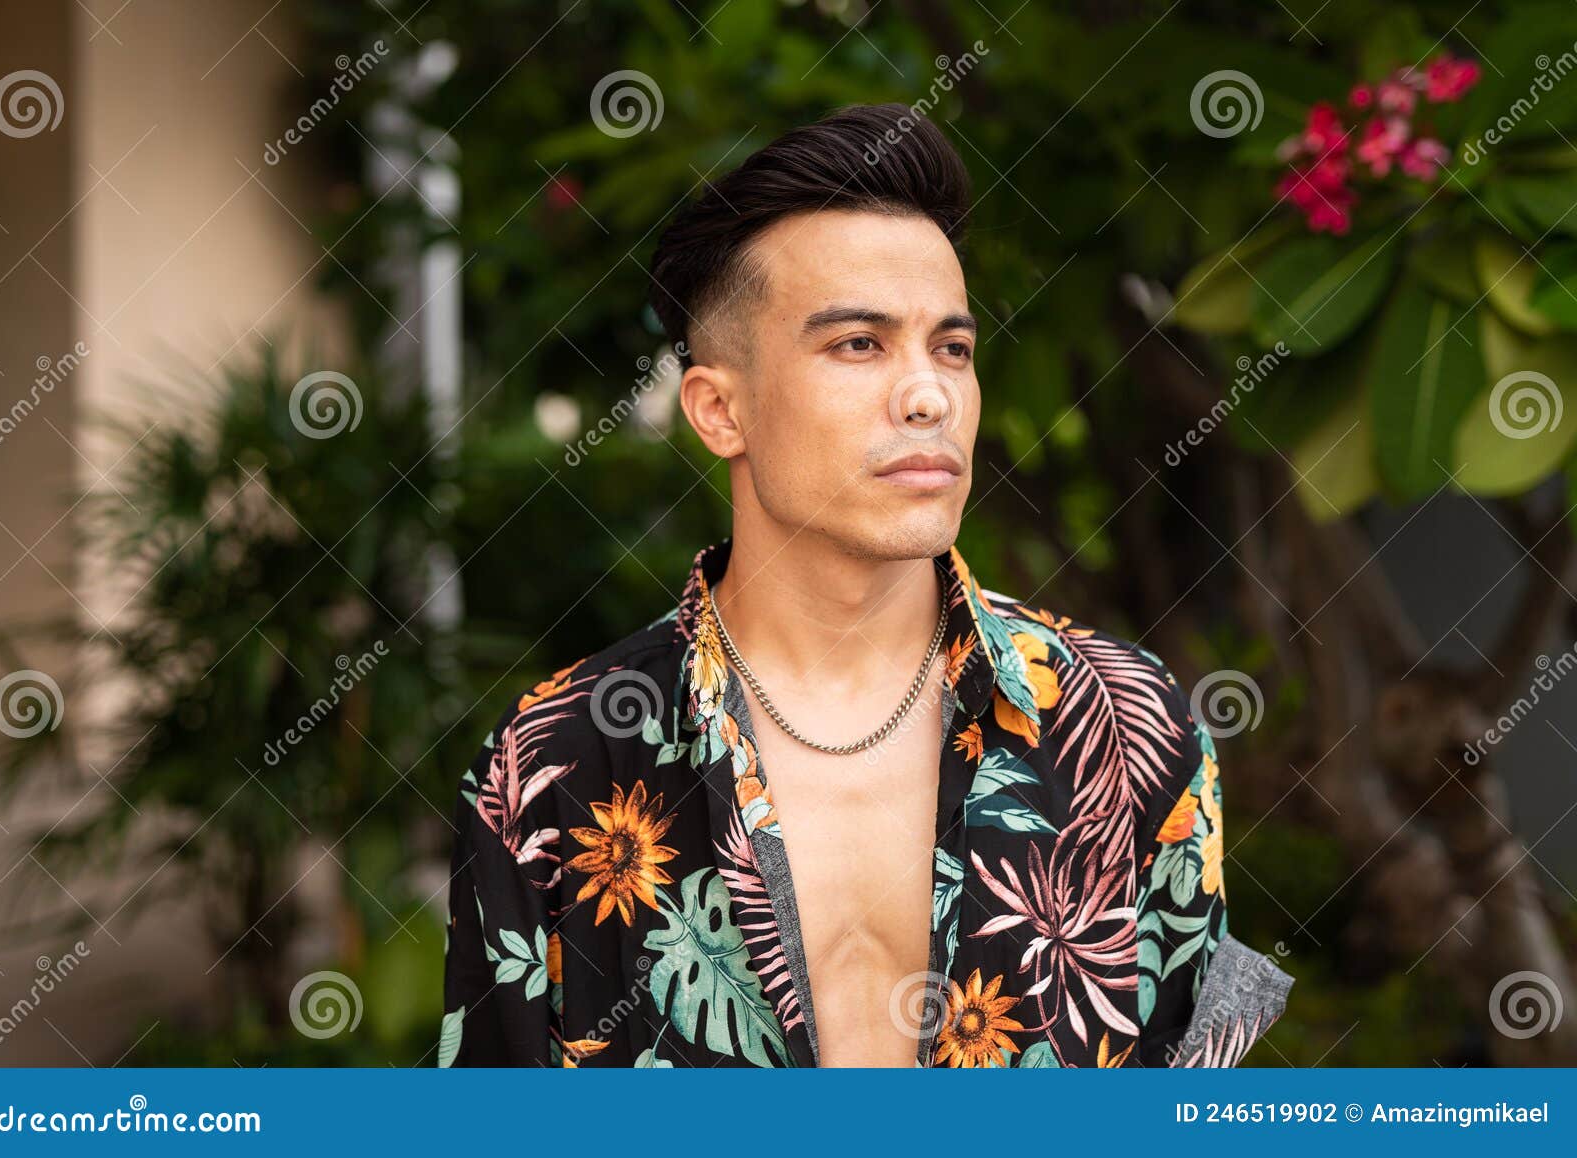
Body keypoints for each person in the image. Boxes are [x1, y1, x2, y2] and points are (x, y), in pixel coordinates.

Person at [439, 101, 1292, 1069]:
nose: (928, 394)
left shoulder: (1126, 726)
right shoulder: (553, 764)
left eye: (952, 348)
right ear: (721, 410)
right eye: (859, 344)